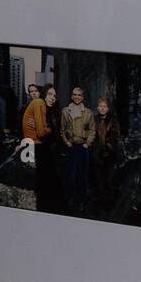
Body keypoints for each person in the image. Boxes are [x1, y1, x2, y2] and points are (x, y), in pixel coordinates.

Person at [60, 85, 96, 215]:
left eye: (79, 95)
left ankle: (81, 201)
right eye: (74, 94)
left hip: (83, 148)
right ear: (71, 96)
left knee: (83, 176)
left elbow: (92, 130)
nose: (77, 97)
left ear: (82, 97)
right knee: (70, 175)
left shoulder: (88, 112)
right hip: (71, 147)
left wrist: (88, 143)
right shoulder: (65, 111)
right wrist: (67, 143)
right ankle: (71, 199)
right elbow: (62, 131)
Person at [35, 84, 69, 215]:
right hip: (39, 154)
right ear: (44, 94)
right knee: (42, 188)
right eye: (50, 94)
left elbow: (59, 135)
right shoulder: (38, 110)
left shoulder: (56, 113)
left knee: (55, 190)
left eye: (54, 96)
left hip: (52, 155)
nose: (52, 98)